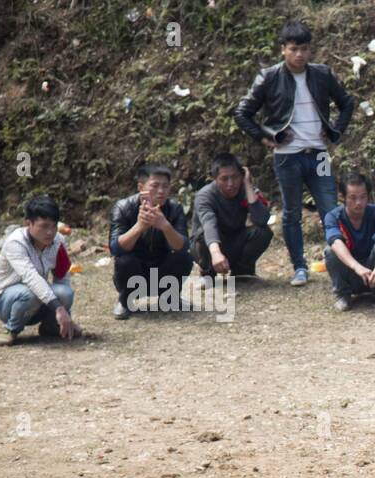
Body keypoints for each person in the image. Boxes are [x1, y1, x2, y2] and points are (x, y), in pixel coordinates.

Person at [234, 20, 354, 287]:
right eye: (294, 49)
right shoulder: (269, 77)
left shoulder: (322, 74)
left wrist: (335, 130)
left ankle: (340, 264)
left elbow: (347, 104)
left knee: (330, 210)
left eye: (305, 49)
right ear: (283, 50)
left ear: (310, 51)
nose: (300, 54)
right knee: (291, 213)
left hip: (319, 153)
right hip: (287, 156)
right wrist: (264, 137)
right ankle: (299, 267)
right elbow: (242, 113)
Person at [0, 195, 79, 346]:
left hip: (37, 301)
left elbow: (62, 277)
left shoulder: (58, 241)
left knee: (66, 293)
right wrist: (59, 308)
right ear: (28, 223)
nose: (50, 232)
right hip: (4, 301)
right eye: (44, 226)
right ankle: (11, 329)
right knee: (32, 291)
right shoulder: (16, 242)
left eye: (53, 226)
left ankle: (51, 327)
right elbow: (31, 278)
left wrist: (66, 315)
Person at [108, 163, 192, 319]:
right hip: (134, 270)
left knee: (184, 257)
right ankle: (126, 302)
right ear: (141, 187)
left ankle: (170, 298)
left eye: (165, 186)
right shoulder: (123, 207)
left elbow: (182, 246)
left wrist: (165, 226)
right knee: (124, 260)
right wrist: (139, 227)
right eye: (155, 186)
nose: (161, 191)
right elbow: (115, 248)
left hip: (162, 269)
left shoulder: (174, 208)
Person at [189, 153, 272, 284]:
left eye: (235, 177)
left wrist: (247, 185)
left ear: (242, 175)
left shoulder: (246, 189)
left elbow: (262, 220)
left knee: (263, 232)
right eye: (224, 179)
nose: (231, 183)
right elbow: (209, 224)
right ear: (215, 179)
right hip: (208, 244)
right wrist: (216, 253)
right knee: (203, 236)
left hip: (234, 239)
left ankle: (242, 272)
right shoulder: (205, 196)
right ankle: (207, 273)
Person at [323, 173, 375, 311]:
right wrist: (357, 267)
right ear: (342, 197)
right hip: (350, 271)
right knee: (331, 251)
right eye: (353, 197)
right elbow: (335, 242)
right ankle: (343, 294)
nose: (359, 202)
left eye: (363, 197)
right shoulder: (333, 217)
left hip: (374, 271)